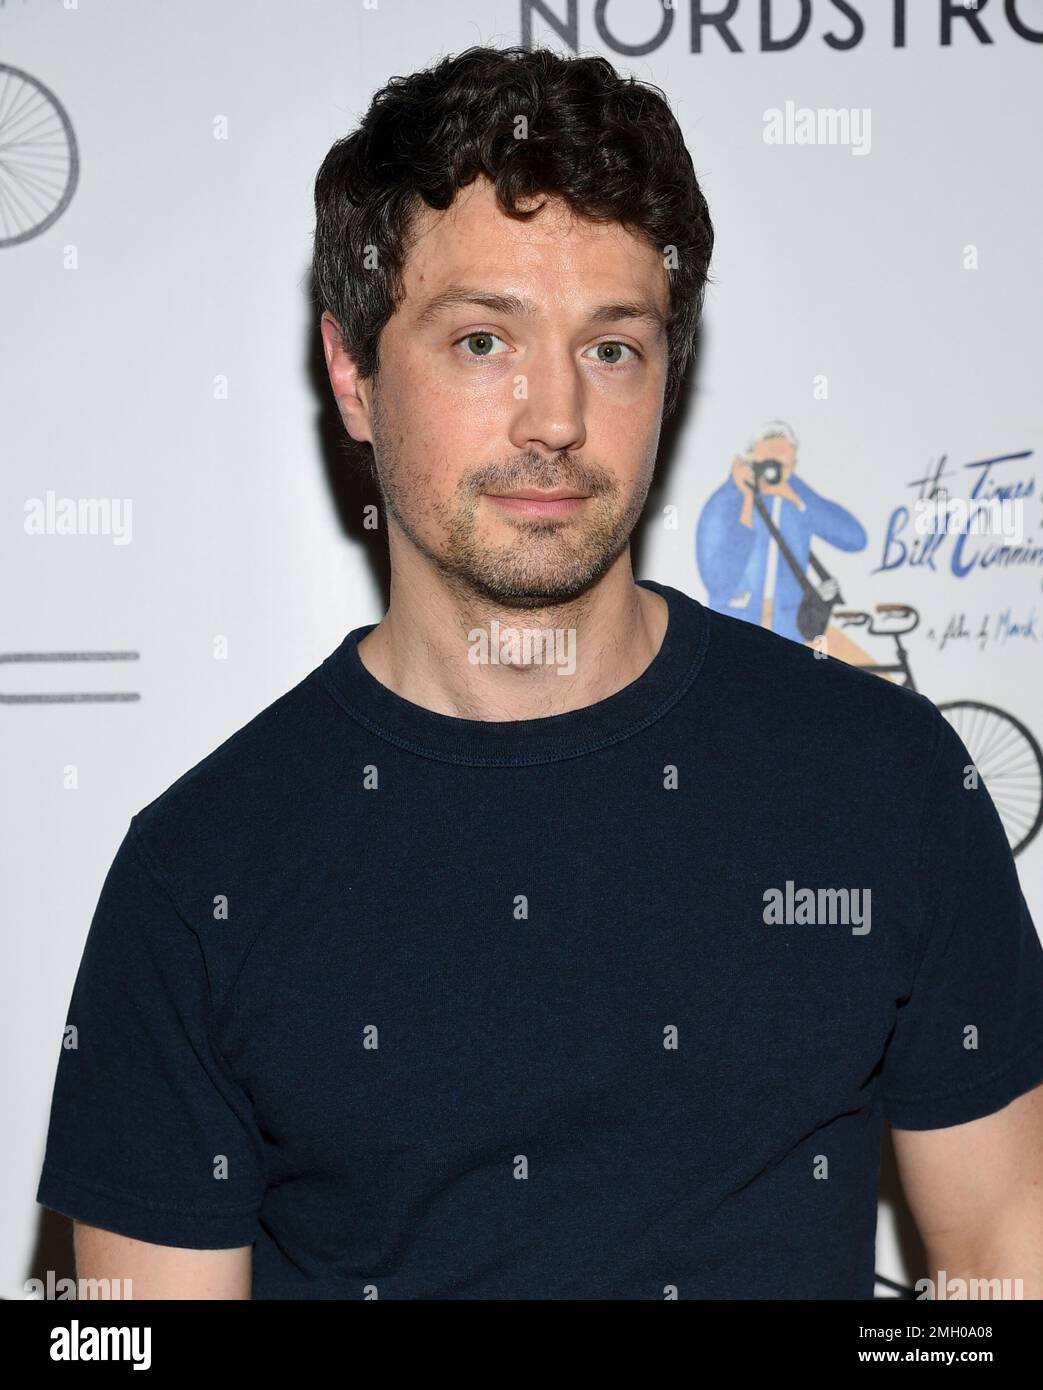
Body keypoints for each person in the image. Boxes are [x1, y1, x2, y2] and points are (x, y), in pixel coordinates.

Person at [36, 44, 1043, 1301]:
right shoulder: (202, 876)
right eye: (479, 342)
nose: (554, 416)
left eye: (612, 347)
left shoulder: (880, 784)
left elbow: (1002, 1272)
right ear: (352, 373)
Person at [696, 421, 867, 642]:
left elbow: (855, 539)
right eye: (767, 460)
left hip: (789, 631)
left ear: (793, 464)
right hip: (734, 627)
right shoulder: (727, 499)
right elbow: (718, 580)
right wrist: (747, 499)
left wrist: (799, 501)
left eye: (782, 463)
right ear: (750, 459)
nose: (773, 470)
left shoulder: (795, 492)